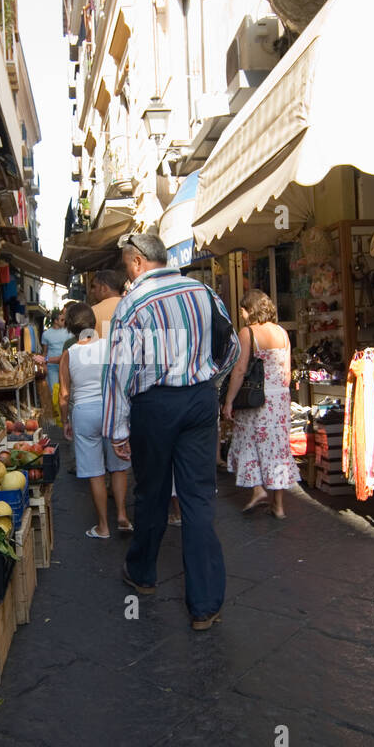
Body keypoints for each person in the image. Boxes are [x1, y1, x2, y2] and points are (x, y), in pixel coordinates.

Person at [104, 226, 239, 632]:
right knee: (199, 500)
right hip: (199, 401)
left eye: (127, 265)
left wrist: (117, 428)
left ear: (137, 262)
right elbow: (230, 346)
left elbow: (120, 373)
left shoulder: (131, 305)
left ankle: (143, 574)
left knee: (153, 493)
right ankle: (205, 606)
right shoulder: (204, 293)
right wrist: (210, 383)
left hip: (155, 406)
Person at [223, 289, 300, 519]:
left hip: (256, 398)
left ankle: (257, 489)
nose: (242, 315)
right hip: (279, 399)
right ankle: (278, 505)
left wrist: (228, 401)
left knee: (249, 442)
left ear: (249, 310)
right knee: (277, 448)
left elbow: (239, 370)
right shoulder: (282, 333)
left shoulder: (248, 333)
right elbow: (287, 372)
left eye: (243, 310)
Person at [59, 303, 132, 538]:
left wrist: (65, 421)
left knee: (95, 471)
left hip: (83, 412)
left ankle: (103, 526)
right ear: (93, 323)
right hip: (112, 410)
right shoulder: (109, 347)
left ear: (70, 327)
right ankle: (122, 514)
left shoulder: (68, 355)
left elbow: (64, 395)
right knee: (119, 466)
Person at [41, 310, 72, 424]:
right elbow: (45, 351)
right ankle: (57, 418)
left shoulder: (68, 333)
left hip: (65, 365)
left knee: (66, 391)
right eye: (62, 320)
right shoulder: (46, 334)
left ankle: (65, 416)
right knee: (54, 391)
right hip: (52, 367)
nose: (64, 322)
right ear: (55, 321)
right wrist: (44, 365)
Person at [89, 270, 127, 339]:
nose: (92, 291)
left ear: (104, 288)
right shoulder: (132, 306)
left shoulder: (92, 312)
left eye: (94, 287)